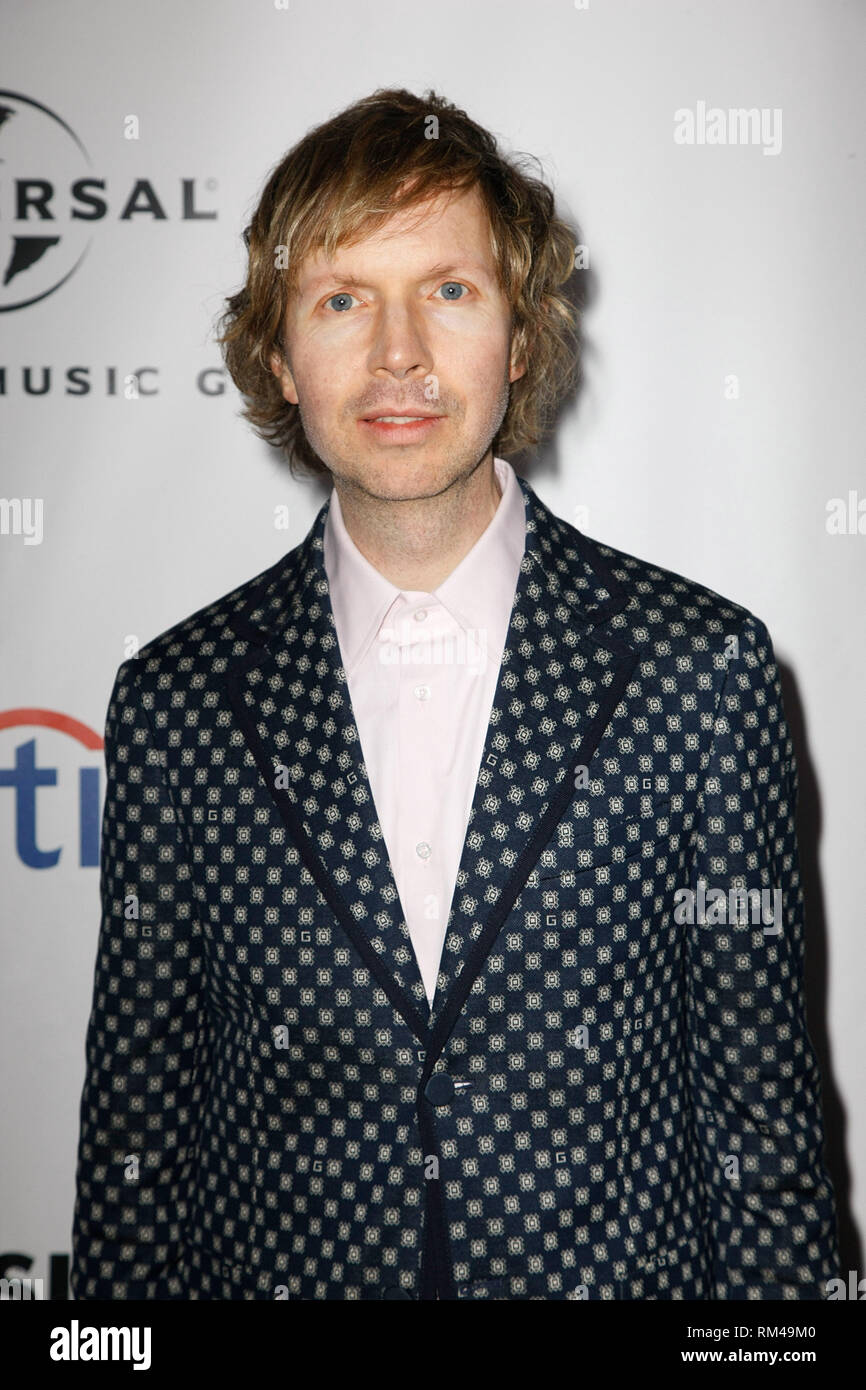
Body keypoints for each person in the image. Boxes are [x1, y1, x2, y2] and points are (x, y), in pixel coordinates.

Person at [70, 86, 840, 1300]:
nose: (397, 355)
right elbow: (134, 1143)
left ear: (520, 336)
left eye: (446, 291)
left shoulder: (699, 671)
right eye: (340, 300)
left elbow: (763, 1134)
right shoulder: (177, 701)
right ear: (277, 353)